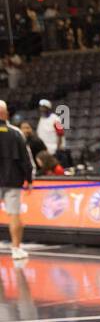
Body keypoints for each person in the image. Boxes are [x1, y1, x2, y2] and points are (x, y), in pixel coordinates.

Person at [0, 99, 34, 262]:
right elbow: (25, 159)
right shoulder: (16, 133)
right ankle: (16, 249)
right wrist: (29, 179)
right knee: (14, 215)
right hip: (12, 180)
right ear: (5, 114)